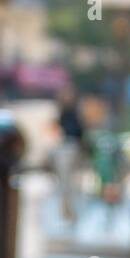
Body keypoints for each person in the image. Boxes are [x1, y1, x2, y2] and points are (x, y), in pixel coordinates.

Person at [52, 85, 86, 223]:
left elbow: (79, 131)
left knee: (70, 182)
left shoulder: (74, 112)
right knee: (66, 182)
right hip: (66, 147)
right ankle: (66, 211)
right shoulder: (64, 112)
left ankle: (70, 211)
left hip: (72, 148)